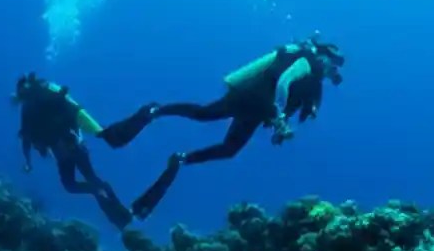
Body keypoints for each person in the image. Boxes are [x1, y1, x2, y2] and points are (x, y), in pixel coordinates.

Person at [100, 33, 346, 220]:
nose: (332, 70)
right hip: (253, 98)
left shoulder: (315, 84)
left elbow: (294, 101)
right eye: (332, 63)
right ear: (323, 55)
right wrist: (279, 117)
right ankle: (155, 111)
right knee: (204, 115)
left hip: (258, 110)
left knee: (227, 146)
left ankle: (182, 158)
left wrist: (279, 125)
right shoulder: (307, 62)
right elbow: (283, 82)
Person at [13, 72, 133, 229]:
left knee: (79, 183)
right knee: (82, 182)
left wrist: (28, 162)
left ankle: (116, 214)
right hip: (70, 148)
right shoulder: (38, 103)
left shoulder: (31, 107)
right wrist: (97, 130)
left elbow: (26, 139)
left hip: (68, 149)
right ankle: (110, 203)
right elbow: (76, 112)